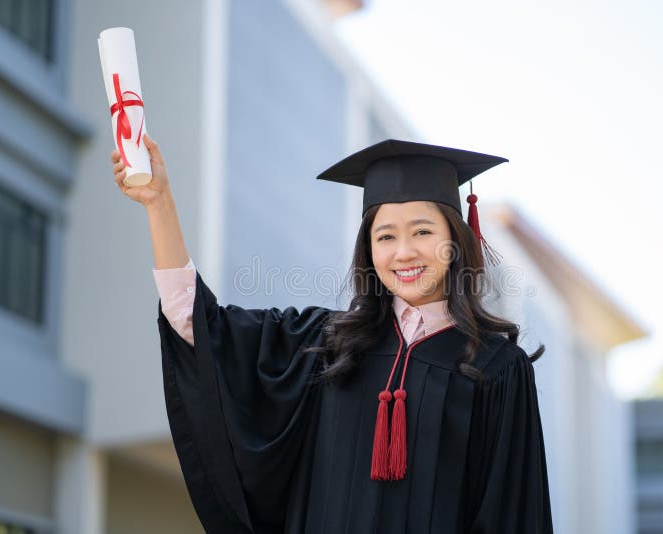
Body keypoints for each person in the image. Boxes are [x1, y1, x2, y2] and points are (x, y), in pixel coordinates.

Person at [111, 135, 554, 534]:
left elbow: (512, 515)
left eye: (422, 231)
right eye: (385, 236)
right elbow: (198, 324)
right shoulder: (326, 345)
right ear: (369, 250)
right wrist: (159, 203)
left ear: (455, 242)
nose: (403, 252)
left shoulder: (497, 369)